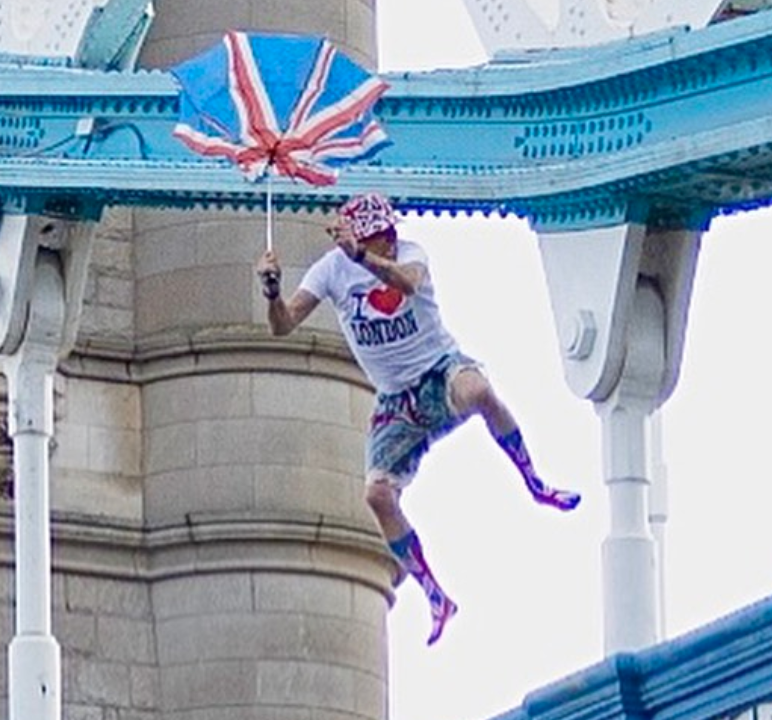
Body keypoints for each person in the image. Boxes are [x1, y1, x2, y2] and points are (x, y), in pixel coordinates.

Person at [256, 192, 581, 646]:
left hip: (437, 371)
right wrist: (271, 292)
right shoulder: (330, 269)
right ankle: (434, 594)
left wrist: (364, 256)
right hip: (395, 401)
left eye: (390, 235)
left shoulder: (409, 254)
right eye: (381, 237)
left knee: (478, 390)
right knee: (377, 495)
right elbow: (282, 324)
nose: (390, 241)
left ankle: (534, 481)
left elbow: (407, 283)